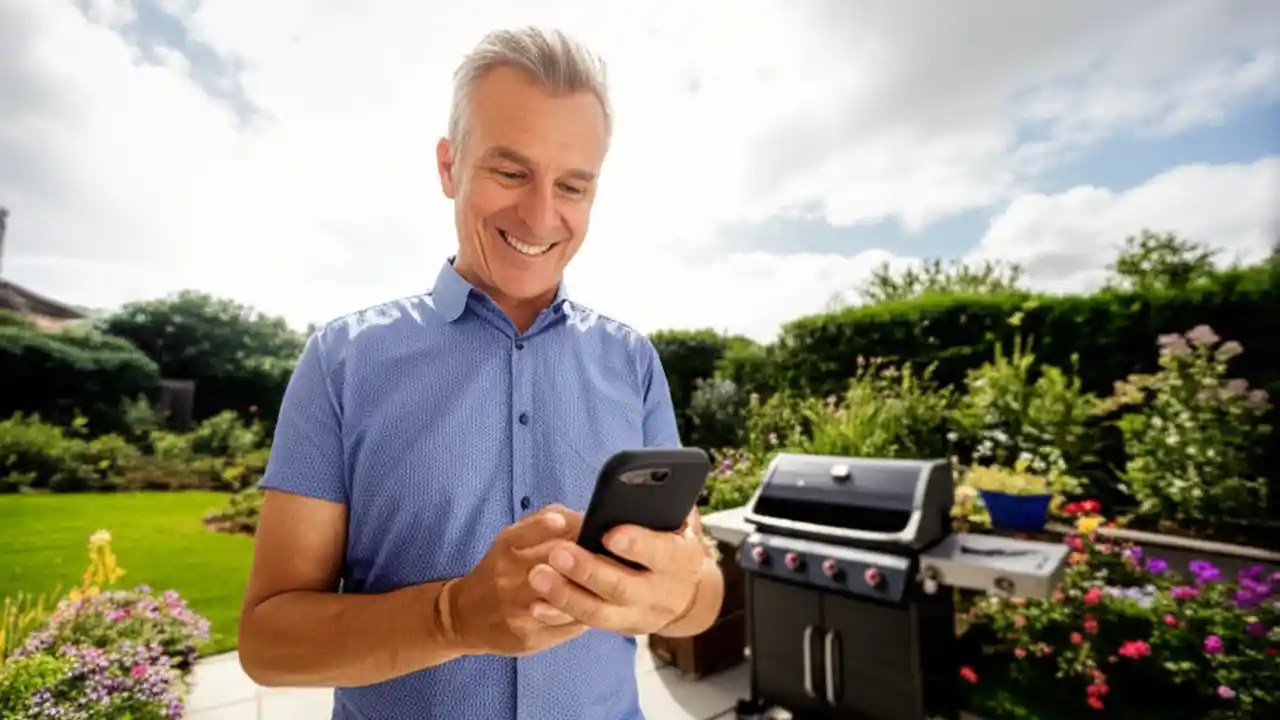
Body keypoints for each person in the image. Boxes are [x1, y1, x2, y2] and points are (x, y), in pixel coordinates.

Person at [236, 26, 725, 720]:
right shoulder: (343, 361)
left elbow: (700, 595)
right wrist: (449, 617)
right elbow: (267, 644)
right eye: (510, 171)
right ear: (448, 165)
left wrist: (680, 597)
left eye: (573, 185)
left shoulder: (633, 362)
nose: (541, 214)